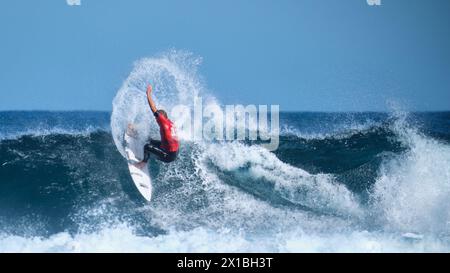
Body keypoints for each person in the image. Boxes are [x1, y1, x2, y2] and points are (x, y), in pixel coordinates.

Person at [134, 84, 179, 168]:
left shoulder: (163, 122)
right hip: (172, 149)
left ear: (162, 117)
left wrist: (148, 94)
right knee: (149, 140)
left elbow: (153, 107)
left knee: (147, 146)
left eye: (157, 117)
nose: (156, 119)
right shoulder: (170, 122)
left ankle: (143, 163)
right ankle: (135, 135)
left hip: (169, 156)